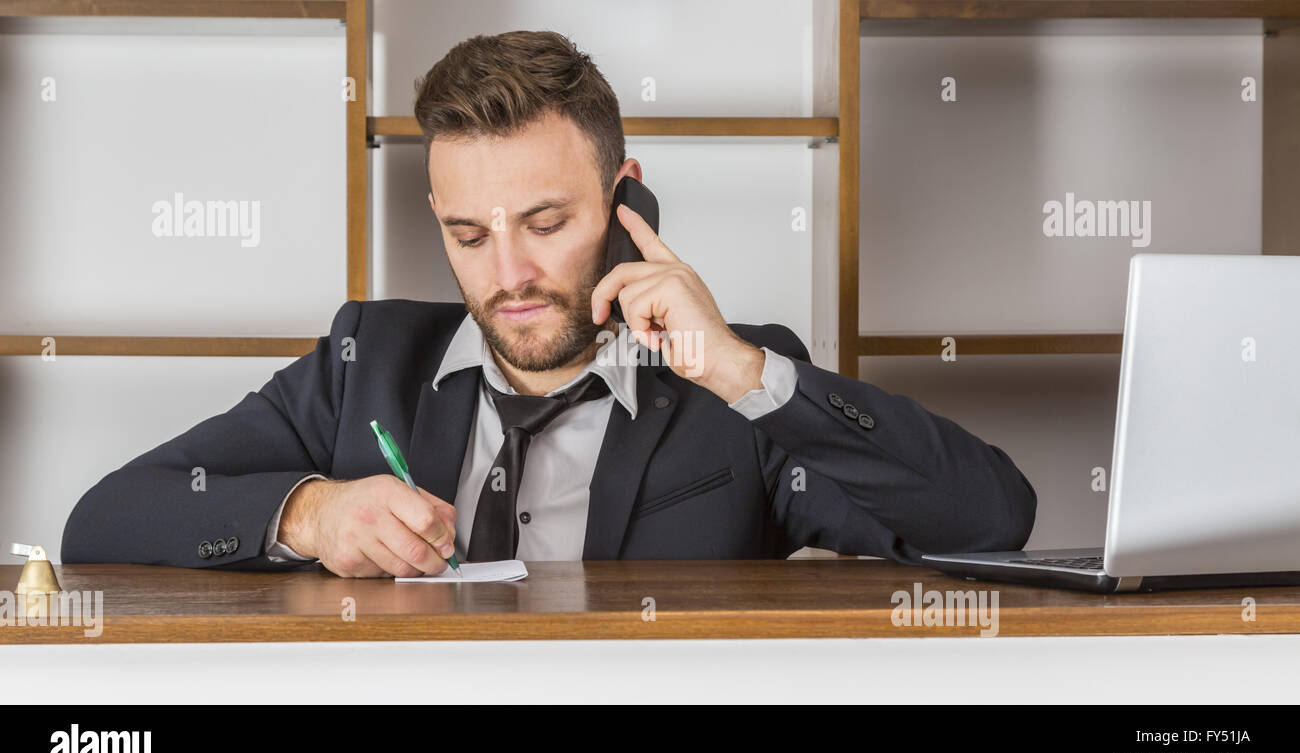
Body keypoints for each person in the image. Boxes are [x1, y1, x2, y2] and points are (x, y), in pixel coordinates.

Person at [61, 30, 1036, 577]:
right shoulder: (366, 360)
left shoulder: (737, 388)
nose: (509, 276)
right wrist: (309, 512)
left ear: (626, 201)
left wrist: (742, 370)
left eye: (544, 221)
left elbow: (989, 517)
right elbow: (102, 521)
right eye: (469, 235)